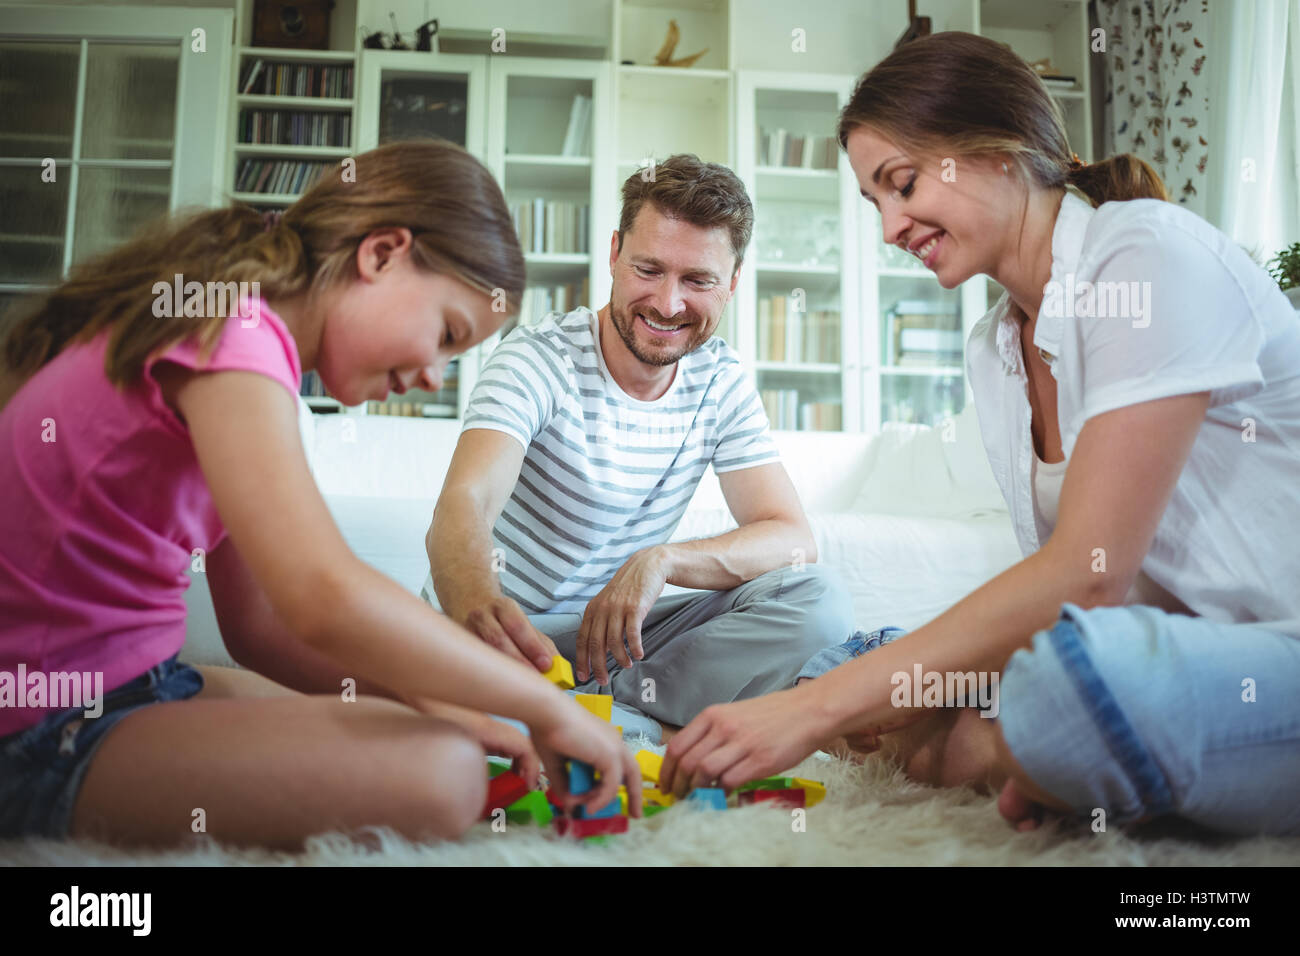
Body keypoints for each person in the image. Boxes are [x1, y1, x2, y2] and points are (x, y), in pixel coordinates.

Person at [659, 32, 1300, 837]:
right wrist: (845, 692)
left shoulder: (1142, 256)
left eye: (903, 184)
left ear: (1000, 148)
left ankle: (1028, 747)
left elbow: (1087, 578)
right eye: (875, 203)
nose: (890, 227)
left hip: (1268, 653)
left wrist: (814, 714)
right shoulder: (995, 349)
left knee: (1064, 687)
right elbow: (1074, 595)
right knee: (845, 663)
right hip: (1160, 647)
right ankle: (1043, 755)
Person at [0, 140, 640, 849]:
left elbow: (263, 627)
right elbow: (321, 595)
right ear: (383, 254)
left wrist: (441, 698)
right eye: (447, 334)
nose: (435, 375)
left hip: (137, 682)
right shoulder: (235, 338)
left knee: (424, 728)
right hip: (43, 726)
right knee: (445, 772)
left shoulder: (242, 345)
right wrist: (545, 708)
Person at [425, 154, 855, 742]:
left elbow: (791, 537)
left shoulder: (720, 381)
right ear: (613, 254)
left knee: (819, 602)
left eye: (698, 280)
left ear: (732, 282)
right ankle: (610, 715)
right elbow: (462, 507)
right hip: (514, 634)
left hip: (620, 646)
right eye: (648, 269)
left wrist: (662, 561)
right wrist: (482, 617)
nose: (668, 304)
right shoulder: (539, 358)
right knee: (440, 710)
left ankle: (605, 710)